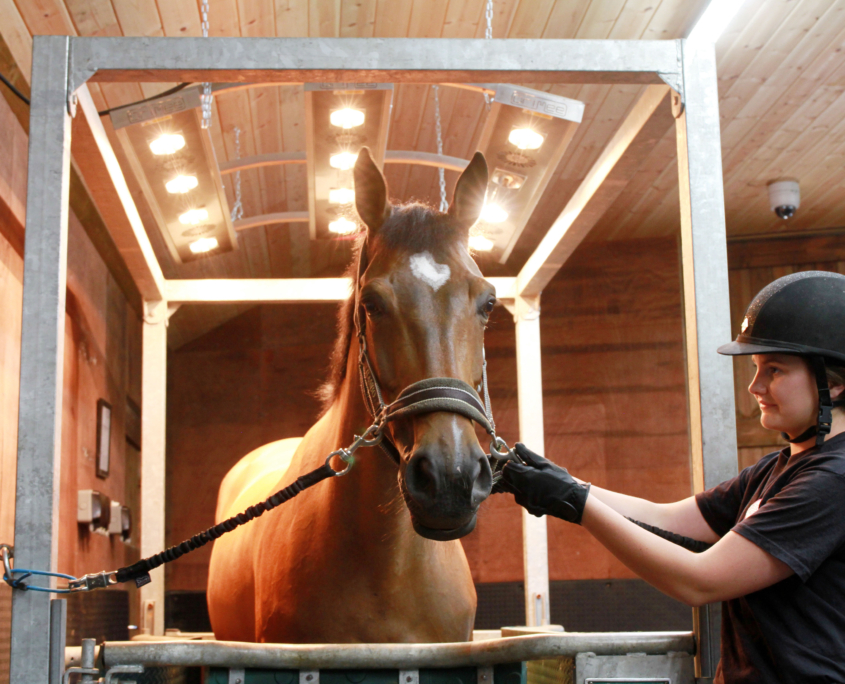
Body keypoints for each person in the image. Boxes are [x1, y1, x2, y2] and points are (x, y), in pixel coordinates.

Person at [498, 271, 845, 684]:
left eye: (774, 370)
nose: (754, 385)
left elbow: (700, 580)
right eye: (755, 368)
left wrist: (575, 502)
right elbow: (663, 519)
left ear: (834, 384)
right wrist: (559, 482)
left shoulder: (833, 481)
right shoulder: (778, 468)